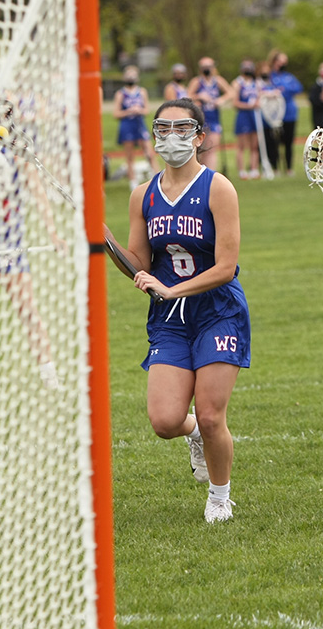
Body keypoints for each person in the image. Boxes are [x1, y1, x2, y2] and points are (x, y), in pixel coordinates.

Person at [103, 97, 251, 524]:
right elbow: (140, 266)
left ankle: (220, 496)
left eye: (182, 129)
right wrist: (106, 239)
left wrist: (172, 289)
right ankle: (194, 437)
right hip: (169, 319)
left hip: (217, 312)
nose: (171, 137)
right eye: (163, 129)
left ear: (200, 137)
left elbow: (226, 267)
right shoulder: (142, 195)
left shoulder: (218, 188)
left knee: (210, 413)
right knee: (166, 421)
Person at [0, 99, 63, 394]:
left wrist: (53, 233)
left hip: (8, 239)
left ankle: (49, 375)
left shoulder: (17, 154)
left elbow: (39, 195)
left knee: (27, 310)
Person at [187, 57, 234, 173]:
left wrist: (221, 100)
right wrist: (199, 97)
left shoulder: (217, 81)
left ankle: (211, 174)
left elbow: (231, 92)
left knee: (212, 148)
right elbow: (187, 96)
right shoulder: (197, 82)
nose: (207, 69)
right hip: (200, 119)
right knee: (201, 149)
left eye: (209, 66)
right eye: (204, 67)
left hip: (214, 118)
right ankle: (200, 173)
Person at [112, 65, 155, 191]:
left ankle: (156, 177)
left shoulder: (142, 92)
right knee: (130, 156)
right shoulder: (121, 94)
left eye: (133, 75)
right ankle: (133, 183)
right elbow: (116, 113)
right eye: (128, 75)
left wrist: (139, 110)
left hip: (140, 124)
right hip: (127, 125)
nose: (131, 77)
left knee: (149, 152)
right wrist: (129, 111)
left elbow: (147, 110)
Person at [267, 50, 303, 177]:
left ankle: (289, 168)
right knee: (274, 142)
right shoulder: (269, 76)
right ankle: (274, 167)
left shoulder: (288, 76)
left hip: (289, 113)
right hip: (274, 114)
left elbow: (298, 88)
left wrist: (284, 90)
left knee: (289, 142)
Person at [231, 60, 260, 180]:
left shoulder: (256, 83)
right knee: (242, 145)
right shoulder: (238, 83)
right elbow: (235, 102)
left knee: (254, 145)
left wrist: (257, 103)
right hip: (243, 115)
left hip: (255, 115)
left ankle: (254, 169)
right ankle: (242, 171)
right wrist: (249, 106)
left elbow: (260, 96)